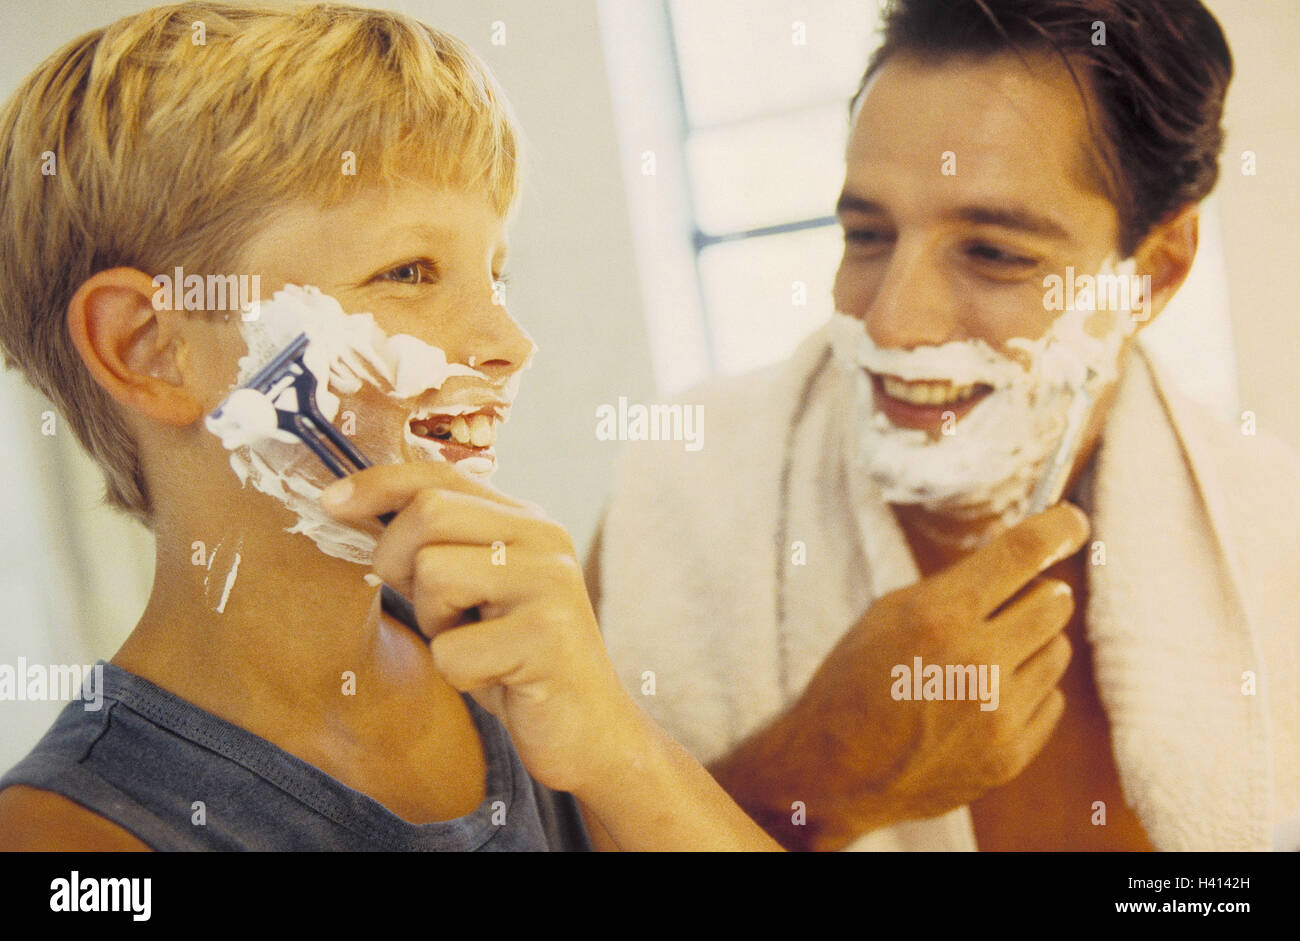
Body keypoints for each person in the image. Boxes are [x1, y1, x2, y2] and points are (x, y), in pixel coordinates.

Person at [0, 1, 779, 852]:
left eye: (496, 275)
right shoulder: (63, 837)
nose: (511, 345)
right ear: (151, 349)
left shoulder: (507, 661)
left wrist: (618, 748)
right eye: (410, 271)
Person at [591, 0, 1300, 851]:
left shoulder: (1276, 553)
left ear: (1152, 273)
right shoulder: (672, 509)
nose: (893, 322)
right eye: (867, 233)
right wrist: (813, 777)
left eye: (995, 252)